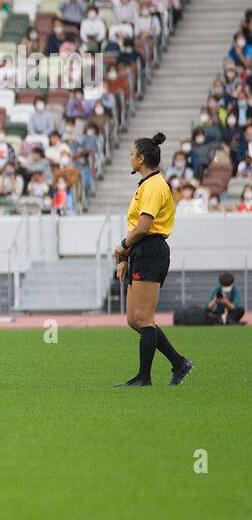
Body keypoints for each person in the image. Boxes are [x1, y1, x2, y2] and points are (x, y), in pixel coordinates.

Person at [112, 133, 193, 386]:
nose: (129, 158)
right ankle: (179, 363)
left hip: (151, 251)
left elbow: (144, 226)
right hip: (140, 251)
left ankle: (144, 378)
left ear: (141, 158)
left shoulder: (156, 186)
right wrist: (125, 256)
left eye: (131, 154)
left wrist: (123, 246)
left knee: (144, 320)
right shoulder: (146, 185)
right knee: (134, 320)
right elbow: (137, 226)